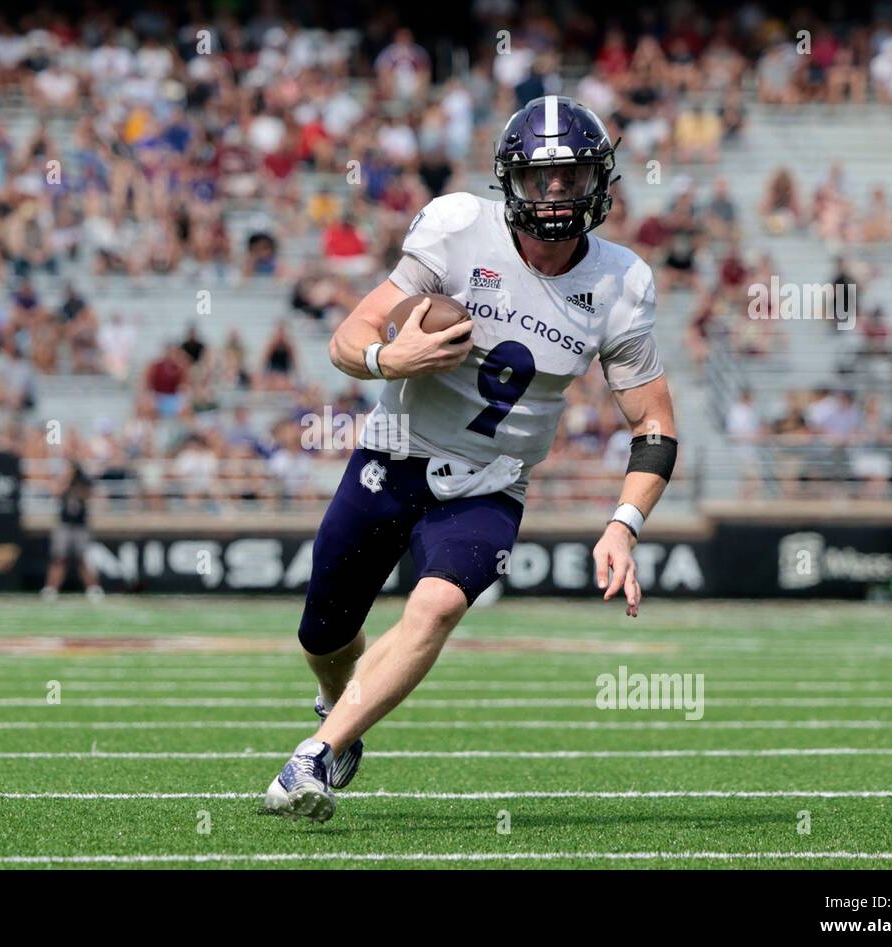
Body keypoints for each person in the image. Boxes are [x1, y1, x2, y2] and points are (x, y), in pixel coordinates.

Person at [264, 97, 677, 822]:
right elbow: (346, 337)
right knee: (324, 635)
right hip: (392, 457)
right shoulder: (458, 228)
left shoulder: (621, 282)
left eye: (571, 175)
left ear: (598, 180)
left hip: (490, 484)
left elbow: (654, 426)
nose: (555, 194)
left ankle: (317, 756)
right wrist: (388, 355)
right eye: (539, 178)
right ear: (509, 181)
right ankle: (337, 701)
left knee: (441, 602)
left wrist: (624, 524)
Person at [41, 463, 103, 601]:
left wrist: (77, 484)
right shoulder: (64, 481)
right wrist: (66, 479)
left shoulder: (83, 481)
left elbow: (88, 494)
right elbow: (55, 491)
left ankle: (93, 588)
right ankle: (51, 588)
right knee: (58, 558)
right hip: (64, 524)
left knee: (83, 558)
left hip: (80, 525)